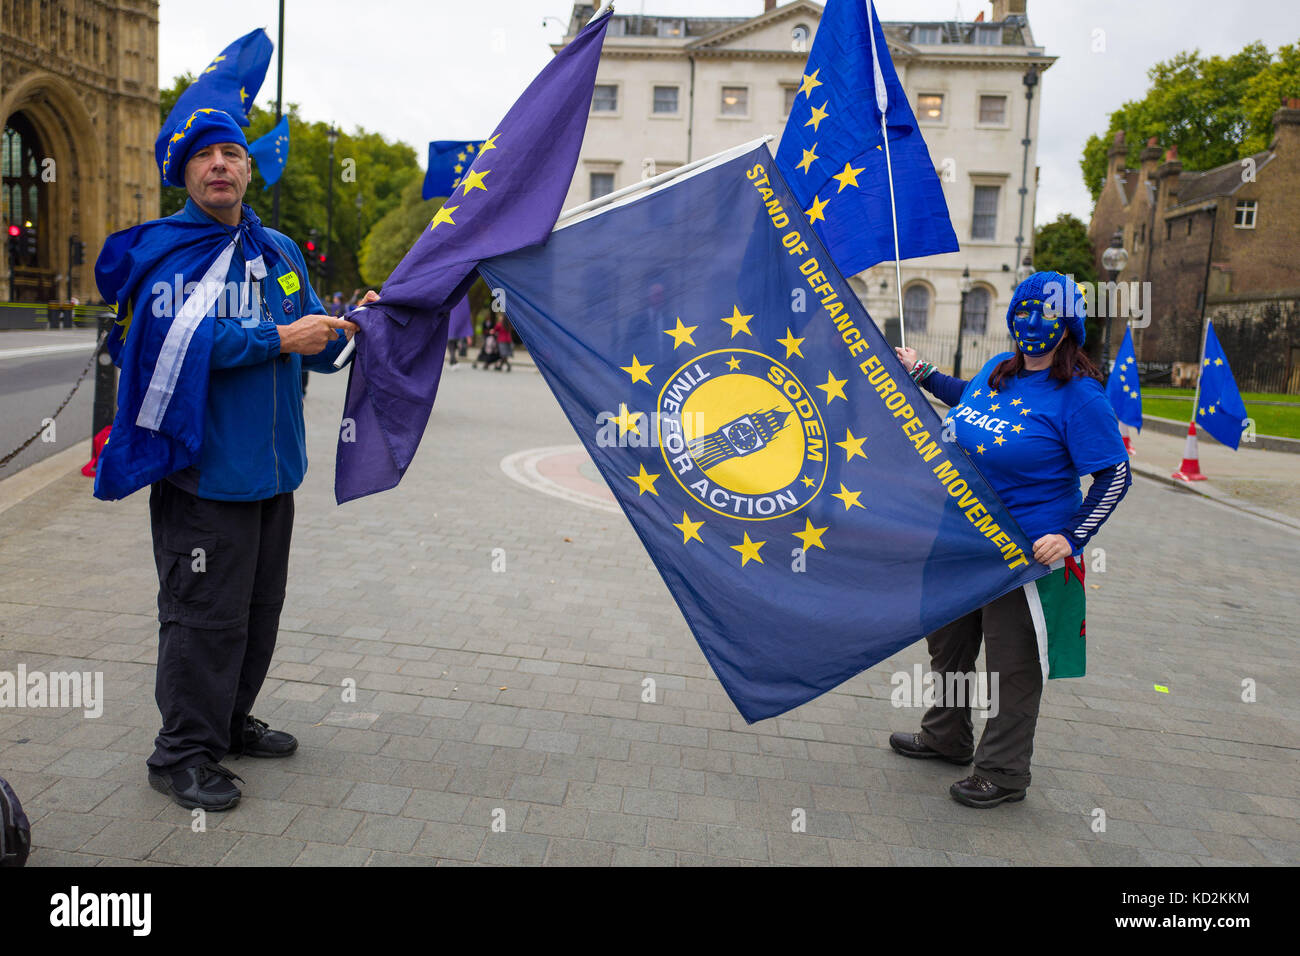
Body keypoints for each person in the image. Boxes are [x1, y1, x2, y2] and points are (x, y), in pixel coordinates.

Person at [93, 108, 375, 813]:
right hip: (204, 476)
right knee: (202, 618)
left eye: (232, 153)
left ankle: (228, 721)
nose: (220, 164)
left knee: (256, 611)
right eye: (204, 156)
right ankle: (181, 753)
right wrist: (280, 335)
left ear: (251, 169)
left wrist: (354, 325)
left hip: (273, 475)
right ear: (184, 174)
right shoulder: (169, 253)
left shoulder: (279, 249)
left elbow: (319, 342)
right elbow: (173, 346)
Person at [889, 271, 1131, 808]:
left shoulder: (1080, 397)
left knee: (1012, 665)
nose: (1030, 322)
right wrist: (922, 372)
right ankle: (946, 736)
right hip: (961, 544)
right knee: (949, 649)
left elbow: (1115, 475)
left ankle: (1003, 771)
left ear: (1068, 325)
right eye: (1022, 310)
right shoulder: (1000, 372)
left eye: (1044, 313)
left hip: (1024, 557)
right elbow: (967, 401)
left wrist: (1071, 537)